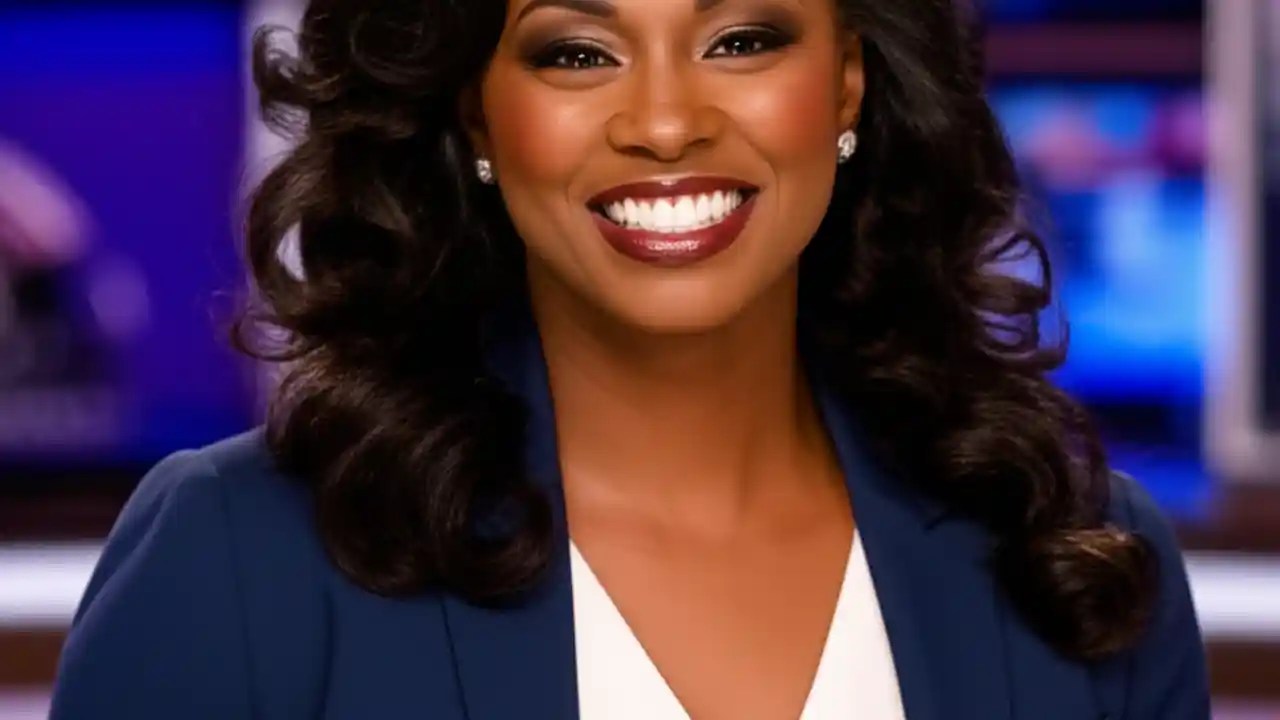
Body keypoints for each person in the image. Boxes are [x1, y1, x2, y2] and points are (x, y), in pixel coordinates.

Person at [49, 0, 1210, 717]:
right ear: (474, 113)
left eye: (740, 40)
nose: (663, 121)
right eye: (576, 52)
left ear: (846, 80)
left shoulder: (1078, 566)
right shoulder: (238, 563)